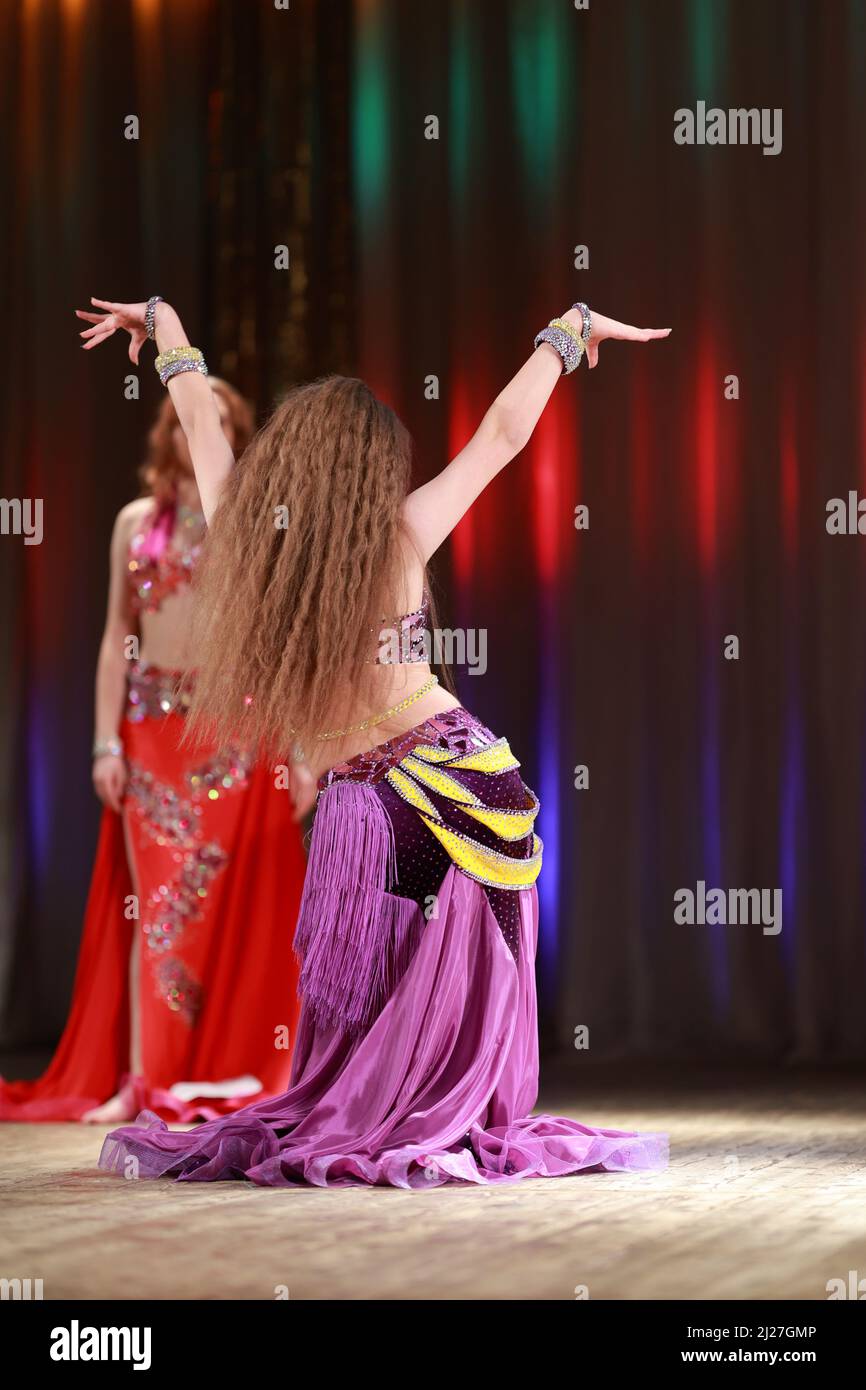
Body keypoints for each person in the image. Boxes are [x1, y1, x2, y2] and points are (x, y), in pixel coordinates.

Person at [81, 292, 670, 1185]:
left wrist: (163, 322)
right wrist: (569, 334)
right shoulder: (402, 532)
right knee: (462, 983)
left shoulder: (247, 531)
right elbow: (504, 438)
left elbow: (199, 412)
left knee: (366, 995)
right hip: (467, 782)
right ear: (372, 470)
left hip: (370, 804)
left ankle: (400, 1111)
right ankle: (454, 1110)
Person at [0, 377, 307, 1124]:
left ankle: (231, 1070)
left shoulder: (248, 524)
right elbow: (114, 638)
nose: (195, 434)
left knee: (240, 913)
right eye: (183, 422)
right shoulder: (135, 524)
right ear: (163, 434)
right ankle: (145, 1083)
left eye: (218, 422)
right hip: (149, 738)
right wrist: (105, 742)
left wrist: (297, 751)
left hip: (235, 735)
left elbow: (276, 643)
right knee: (160, 912)